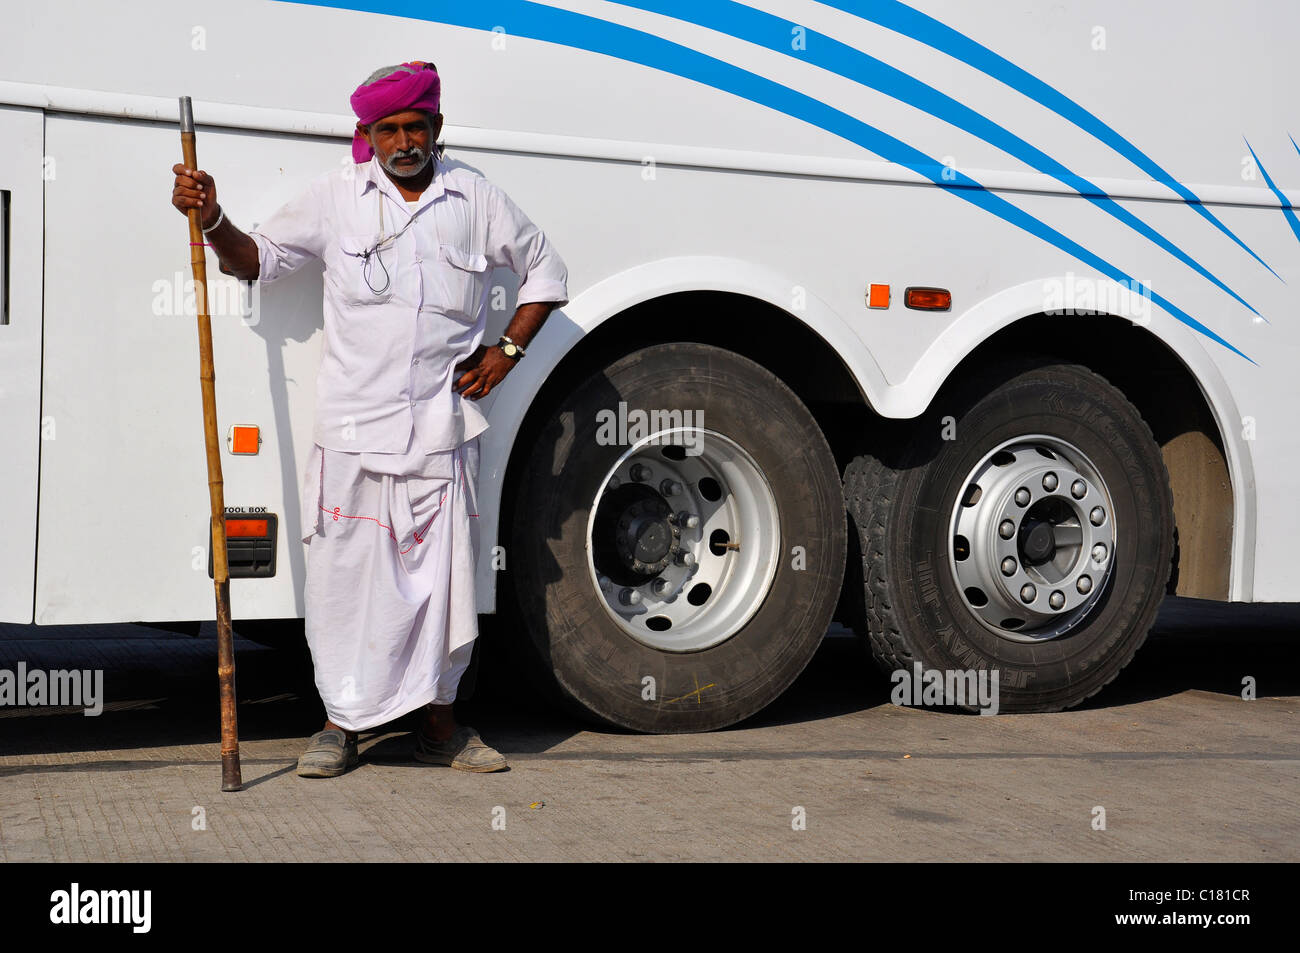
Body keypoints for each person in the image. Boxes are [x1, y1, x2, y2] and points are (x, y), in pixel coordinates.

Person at [169, 60, 568, 778]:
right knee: (345, 584)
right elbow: (256, 260)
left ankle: (441, 727)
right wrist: (213, 218)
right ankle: (339, 725)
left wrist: (507, 349)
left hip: (442, 434)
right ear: (369, 136)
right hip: (353, 433)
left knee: (445, 591)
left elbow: (546, 271)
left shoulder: (473, 197)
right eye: (389, 129)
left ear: (437, 128)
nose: (404, 140)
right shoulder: (336, 198)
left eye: (416, 126)